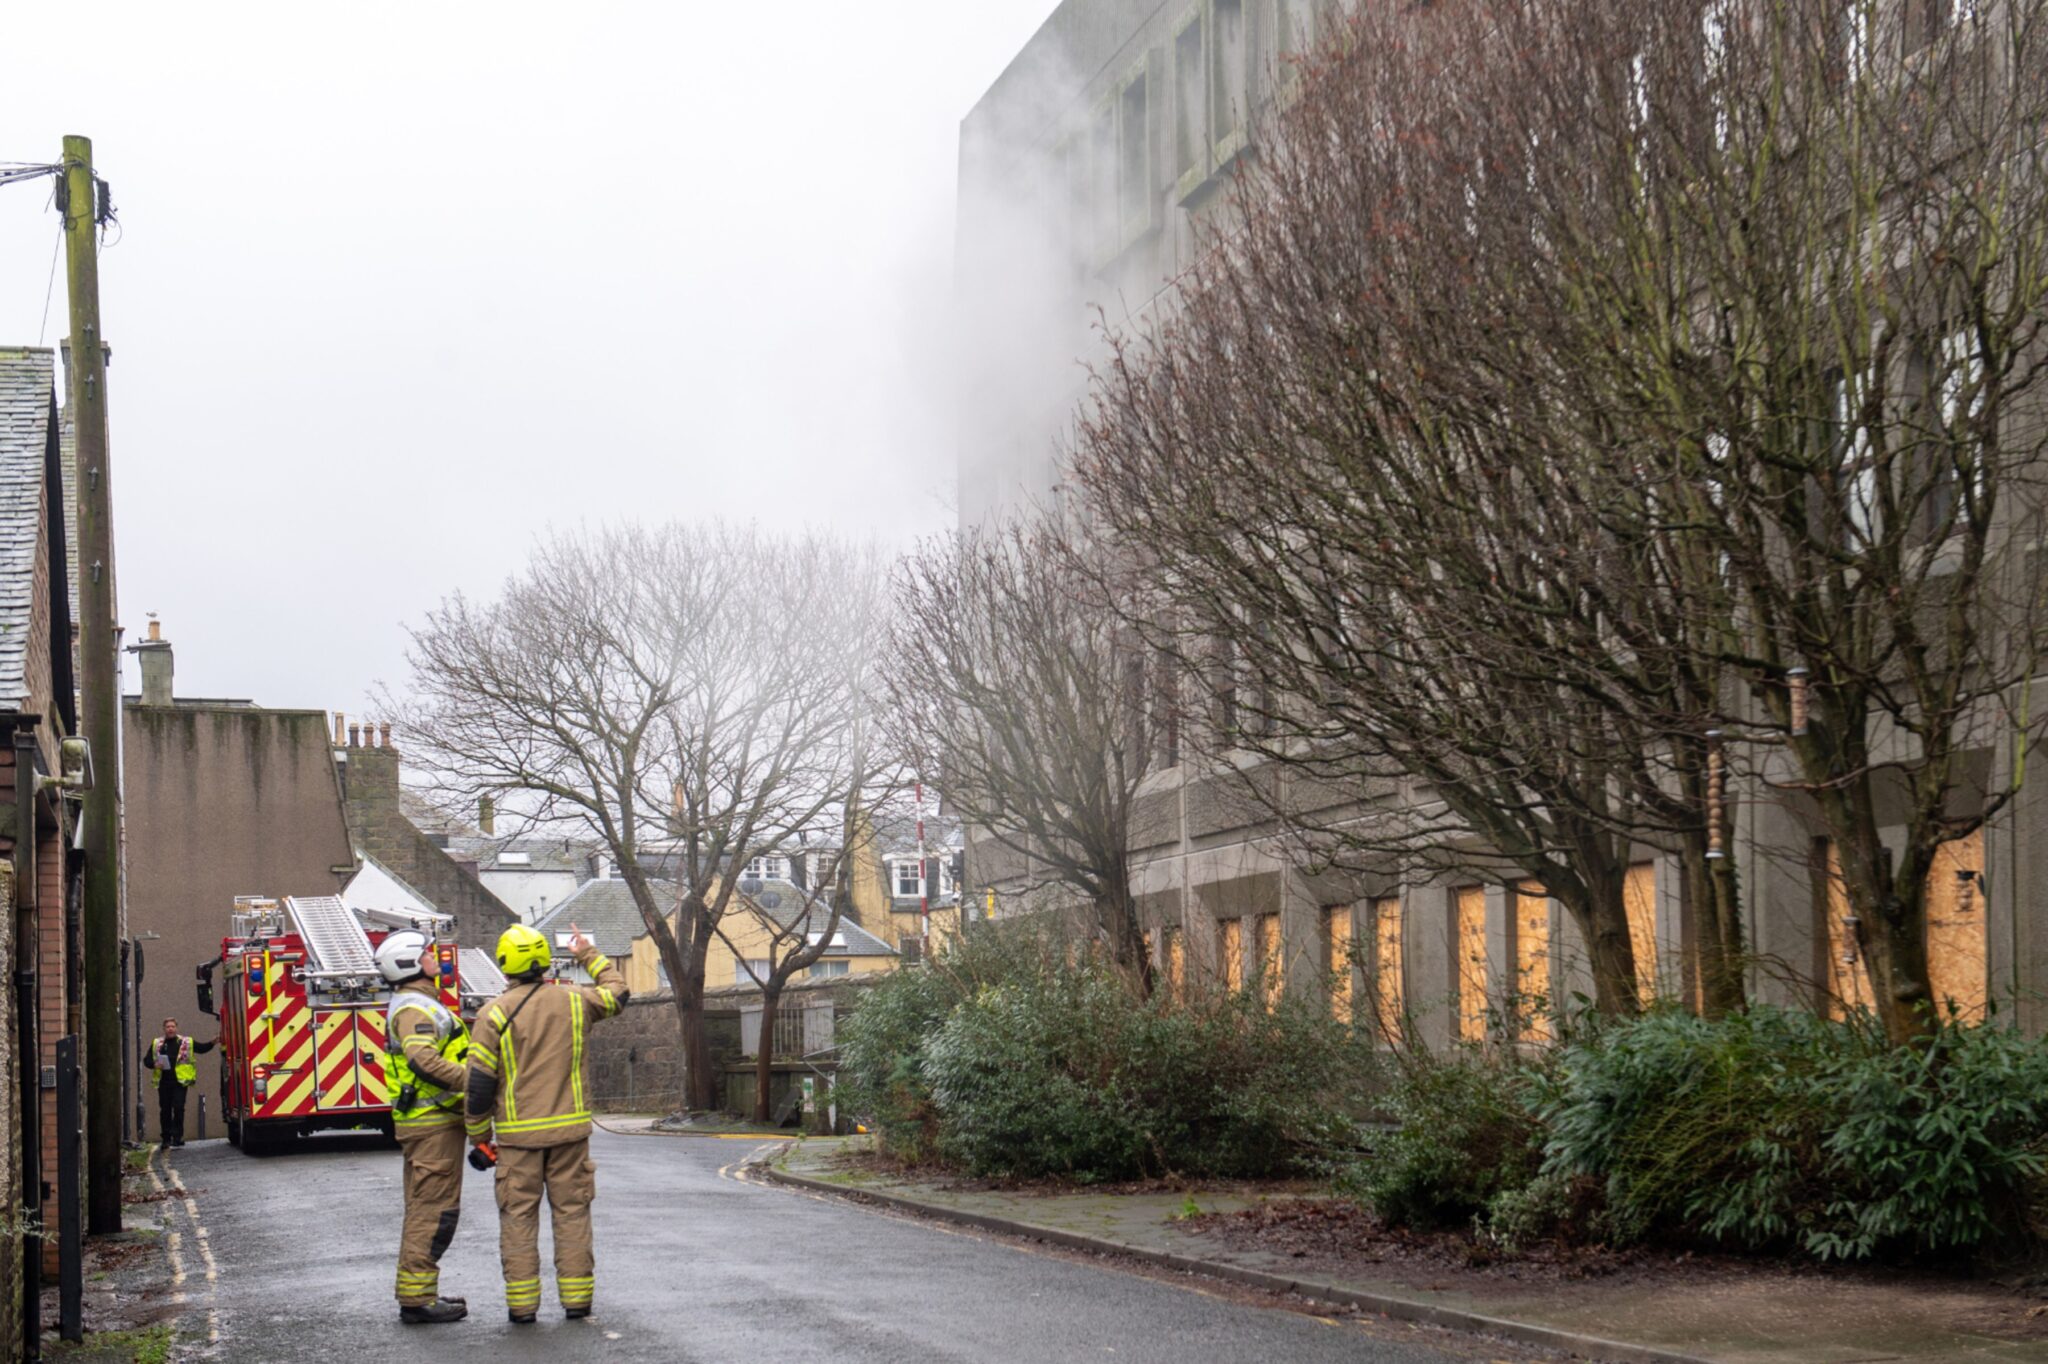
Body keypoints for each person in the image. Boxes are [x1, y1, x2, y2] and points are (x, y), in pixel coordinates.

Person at [465, 921, 627, 1324]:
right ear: (543, 962)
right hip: (570, 1135)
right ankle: (577, 1301)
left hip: (517, 1142)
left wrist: (478, 1135)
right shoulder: (576, 1001)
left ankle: (522, 1306)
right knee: (572, 1213)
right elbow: (619, 992)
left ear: (505, 965)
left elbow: (480, 1085)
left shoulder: (492, 1014)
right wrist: (587, 953)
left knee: (518, 1218)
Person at [375, 930, 472, 1326]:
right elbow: (423, 1060)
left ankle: (419, 1292)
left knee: (425, 1208)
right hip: (432, 1128)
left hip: (429, 1125)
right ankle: (417, 1300)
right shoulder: (414, 1009)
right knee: (434, 1212)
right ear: (410, 963)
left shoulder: (417, 1003)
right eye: (429, 955)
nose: (436, 959)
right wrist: (475, 1081)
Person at [145, 1017, 216, 1147]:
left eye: (172, 1026)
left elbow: (201, 1048)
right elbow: (146, 1061)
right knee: (165, 1110)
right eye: (168, 1027)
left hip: (179, 1082)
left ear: (176, 1028)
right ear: (164, 1029)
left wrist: (212, 1042)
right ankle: (166, 1138)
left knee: (178, 1108)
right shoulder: (157, 1043)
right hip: (164, 1082)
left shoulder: (185, 1042)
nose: (170, 1029)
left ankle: (177, 1137)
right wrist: (155, 1064)